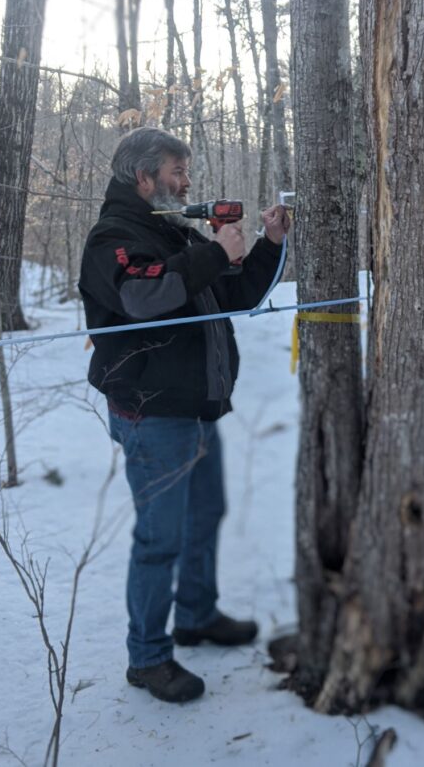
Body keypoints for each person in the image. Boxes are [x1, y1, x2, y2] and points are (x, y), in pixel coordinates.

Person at [79, 127, 290, 703]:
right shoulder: (113, 237)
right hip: (152, 413)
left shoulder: (171, 231)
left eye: (187, 170)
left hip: (195, 407)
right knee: (160, 538)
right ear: (144, 178)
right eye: (177, 171)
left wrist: (267, 244)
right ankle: (147, 659)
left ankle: (195, 615)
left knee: (205, 515)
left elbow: (237, 295)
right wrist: (213, 251)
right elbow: (143, 297)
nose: (187, 181)